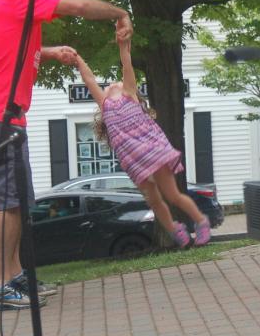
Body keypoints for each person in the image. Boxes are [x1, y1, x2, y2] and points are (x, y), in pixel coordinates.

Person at [0, 0, 133, 311]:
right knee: (10, 204)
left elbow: (1, 51)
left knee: (17, 202)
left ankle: (13, 276)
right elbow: (78, 6)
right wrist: (119, 12)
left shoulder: (1, 3)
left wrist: (46, 51)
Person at [75, 37, 211, 250]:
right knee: (154, 200)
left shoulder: (130, 95)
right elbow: (90, 80)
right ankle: (175, 230)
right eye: (110, 84)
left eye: (117, 82)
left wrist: (122, 45)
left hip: (152, 151)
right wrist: (77, 59)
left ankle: (201, 221)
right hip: (133, 160)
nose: (113, 83)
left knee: (172, 195)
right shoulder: (105, 105)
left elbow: (126, 63)